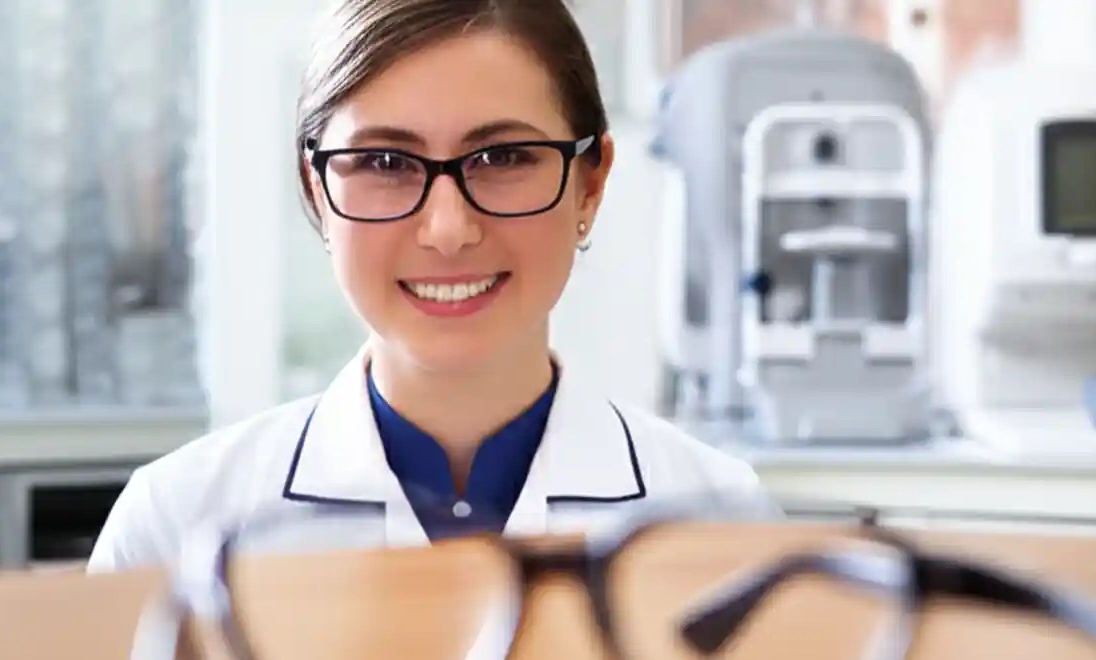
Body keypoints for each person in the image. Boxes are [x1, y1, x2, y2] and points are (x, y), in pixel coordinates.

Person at [88, 0, 771, 573]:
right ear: (315, 191)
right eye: (385, 162)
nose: (448, 228)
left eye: (503, 157)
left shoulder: (724, 522)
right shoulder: (174, 527)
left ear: (590, 182)